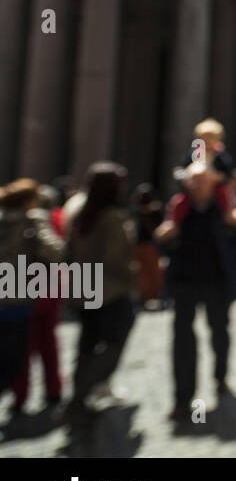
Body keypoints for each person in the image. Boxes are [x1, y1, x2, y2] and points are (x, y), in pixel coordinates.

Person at [156, 161, 236, 425]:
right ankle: (183, 399)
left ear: (212, 182)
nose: (195, 184)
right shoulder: (179, 207)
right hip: (185, 282)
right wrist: (163, 237)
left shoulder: (224, 205)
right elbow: (162, 243)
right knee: (183, 340)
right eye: (192, 180)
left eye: (201, 179)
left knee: (219, 332)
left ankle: (220, 375)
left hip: (217, 281)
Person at [63, 162, 137, 423]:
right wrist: (134, 279)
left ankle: (79, 395)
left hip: (83, 286)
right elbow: (116, 259)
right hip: (109, 290)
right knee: (114, 340)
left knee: (87, 343)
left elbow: (68, 251)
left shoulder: (77, 210)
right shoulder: (112, 216)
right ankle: (86, 390)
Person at [1, 180, 66, 413]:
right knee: (45, 342)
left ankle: (19, 397)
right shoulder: (34, 218)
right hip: (35, 289)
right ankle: (53, 391)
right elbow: (54, 249)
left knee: (17, 347)